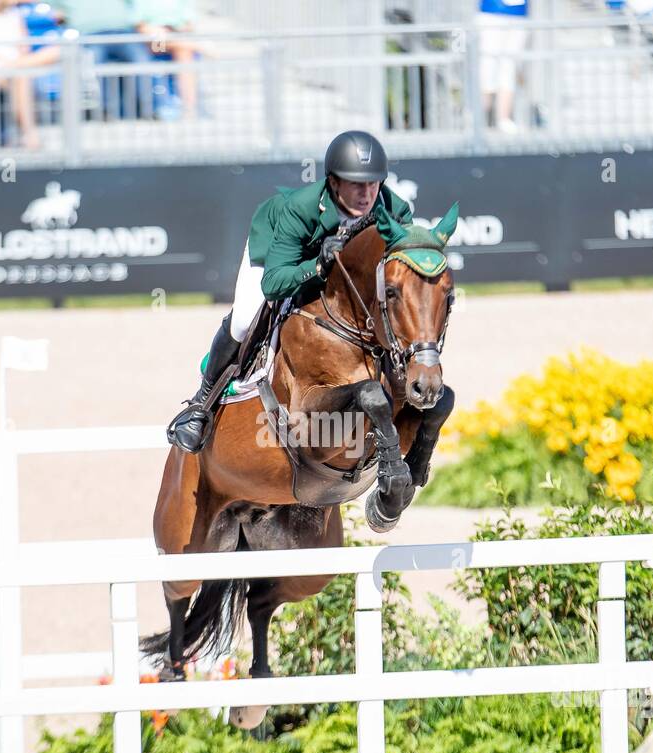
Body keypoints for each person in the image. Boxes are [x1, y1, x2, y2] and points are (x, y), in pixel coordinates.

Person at [167, 130, 415, 455]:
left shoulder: (394, 209)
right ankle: (201, 404)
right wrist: (318, 265)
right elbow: (274, 283)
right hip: (280, 254)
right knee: (244, 318)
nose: (366, 194)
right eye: (356, 184)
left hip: (342, 273)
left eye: (373, 184)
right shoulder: (300, 209)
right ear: (334, 182)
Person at [0, 0, 59, 150]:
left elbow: (24, 45)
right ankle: (29, 133)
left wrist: (14, 61)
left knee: (22, 74)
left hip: (15, 64)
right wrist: (7, 61)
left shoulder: (15, 14)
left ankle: (27, 133)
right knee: (20, 76)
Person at [49, 0, 153, 118]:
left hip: (124, 32)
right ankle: (104, 112)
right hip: (89, 34)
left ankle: (148, 110)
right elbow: (49, 10)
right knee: (94, 68)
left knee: (142, 61)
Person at [138, 0, 198, 119]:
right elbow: (140, 25)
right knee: (176, 45)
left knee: (184, 53)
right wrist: (157, 30)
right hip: (153, 40)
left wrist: (177, 29)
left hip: (175, 36)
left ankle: (189, 107)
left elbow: (189, 24)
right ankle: (201, 47)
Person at [476, 0, 529, 132]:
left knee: (509, 67)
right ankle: (480, 119)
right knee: (488, 67)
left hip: (518, 15)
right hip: (491, 14)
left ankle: (503, 119)